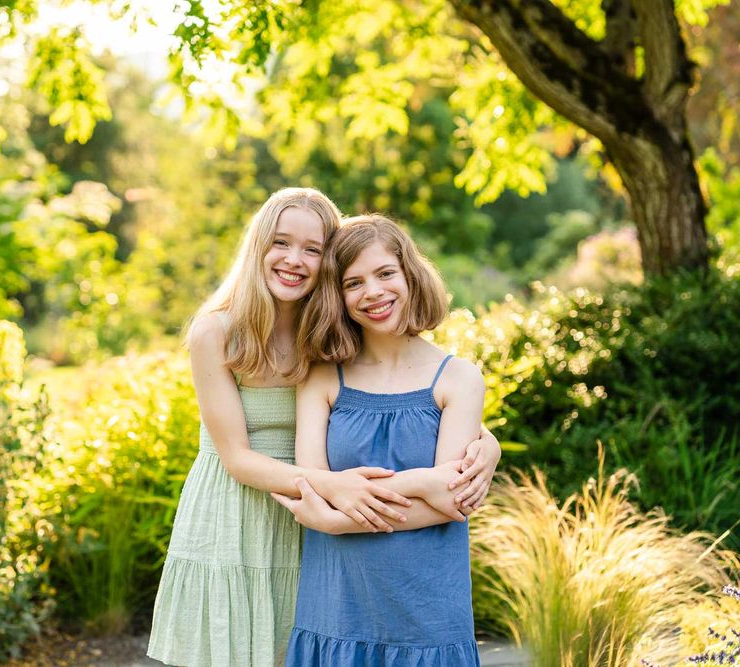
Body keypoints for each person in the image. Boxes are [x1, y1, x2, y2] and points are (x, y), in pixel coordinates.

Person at [147, 190, 499, 667]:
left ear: (327, 265)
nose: (294, 260)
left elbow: (410, 406)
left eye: (312, 249)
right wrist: (340, 493)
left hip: (324, 519)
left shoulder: (325, 341)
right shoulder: (221, 333)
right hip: (254, 506)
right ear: (258, 245)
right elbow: (237, 457)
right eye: (281, 242)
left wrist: (486, 444)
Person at [274, 214, 490, 666]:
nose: (373, 292)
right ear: (336, 296)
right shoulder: (321, 378)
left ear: (410, 275)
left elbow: (448, 502)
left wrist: (338, 520)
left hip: (427, 618)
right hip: (336, 612)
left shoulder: (459, 379)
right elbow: (314, 489)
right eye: (353, 283)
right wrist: (421, 482)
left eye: (385, 273)